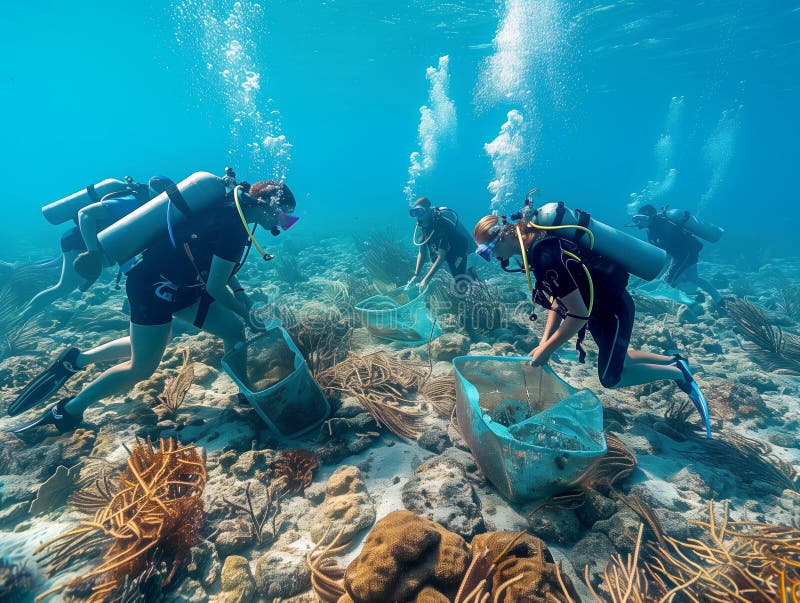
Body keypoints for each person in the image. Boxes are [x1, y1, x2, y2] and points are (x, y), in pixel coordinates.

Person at [8, 178, 298, 433]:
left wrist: (243, 299)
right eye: (285, 218)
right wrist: (247, 314)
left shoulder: (227, 211)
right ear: (267, 205)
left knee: (232, 330)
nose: (282, 226)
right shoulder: (234, 228)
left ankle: (78, 359)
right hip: (154, 289)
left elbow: (220, 271)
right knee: (142, 366)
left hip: (182, 287)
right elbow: (215, 287)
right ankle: (68, 410)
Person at [473, 210, 712, 437]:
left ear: (503, 237)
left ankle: (678, 373)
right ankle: (675, 360)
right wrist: (544, 341)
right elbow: (557, 300)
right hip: (597, 307)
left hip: (612, 309)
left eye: (488, 251)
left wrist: (547, 350)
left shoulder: (545, 255)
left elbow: (577, 315)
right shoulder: (537, 245)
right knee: (620, 357)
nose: (493, 258)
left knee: (611, 378)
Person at [20, 176, 173, 321]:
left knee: (55, 267)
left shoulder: (144, 207)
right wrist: (92, 253)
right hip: (78, 243)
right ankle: (20, 319)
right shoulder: (131, 203)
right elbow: (85, 214)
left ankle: (19, 271)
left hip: (83, 243)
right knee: (64, 287)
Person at [632, 204, 723, 305]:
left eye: (642, 218)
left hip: (686, 254)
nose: (639, 222)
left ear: (650, 217)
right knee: (693, 278)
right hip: (683, 254)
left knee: (668, 281)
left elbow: (667, 249)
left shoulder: (663, 225)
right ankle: (715, 298)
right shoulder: (652, 229)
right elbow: (664, 251)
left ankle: (680, 303)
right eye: (636, 219)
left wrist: (665, 271)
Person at [406, 197, 476, 291]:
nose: (418, 217)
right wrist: (416, 274)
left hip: (459, 250)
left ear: (428, 211)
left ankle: (478, 287)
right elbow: (422, 252)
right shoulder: (422, 227)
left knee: (460, 280)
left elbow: (441, 256)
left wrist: (425, 280)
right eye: (415, 213)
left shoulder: (441, 223)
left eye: (421, 212)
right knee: (455, 279)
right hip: (446, 251)